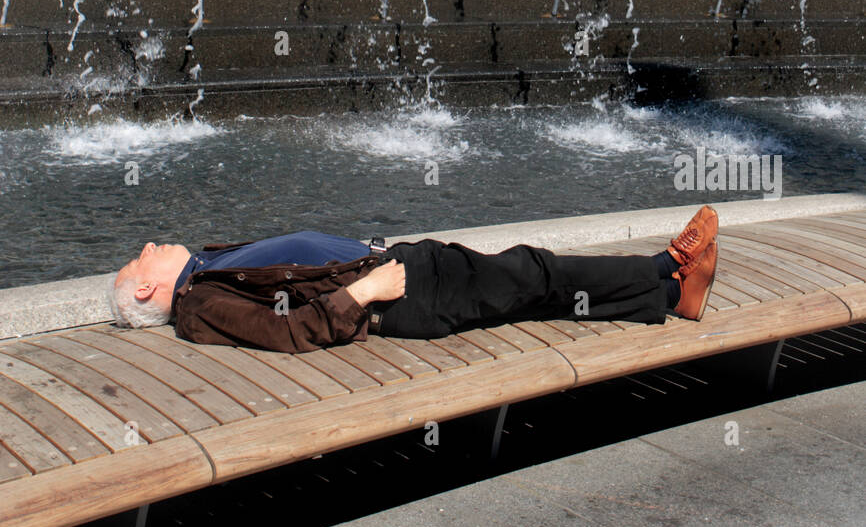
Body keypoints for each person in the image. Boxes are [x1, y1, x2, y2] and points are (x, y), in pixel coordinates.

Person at [110, 208, 719, 354]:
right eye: (142, 260)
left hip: (398, 267)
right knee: (536, 274)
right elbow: (287, 332)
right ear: (146, 291)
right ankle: (667, 269)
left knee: (537, 291)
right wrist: (364, 294)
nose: (148, 248)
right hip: (398, 296)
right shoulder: (199, 304)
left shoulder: (206, 269)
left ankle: (670, 297)